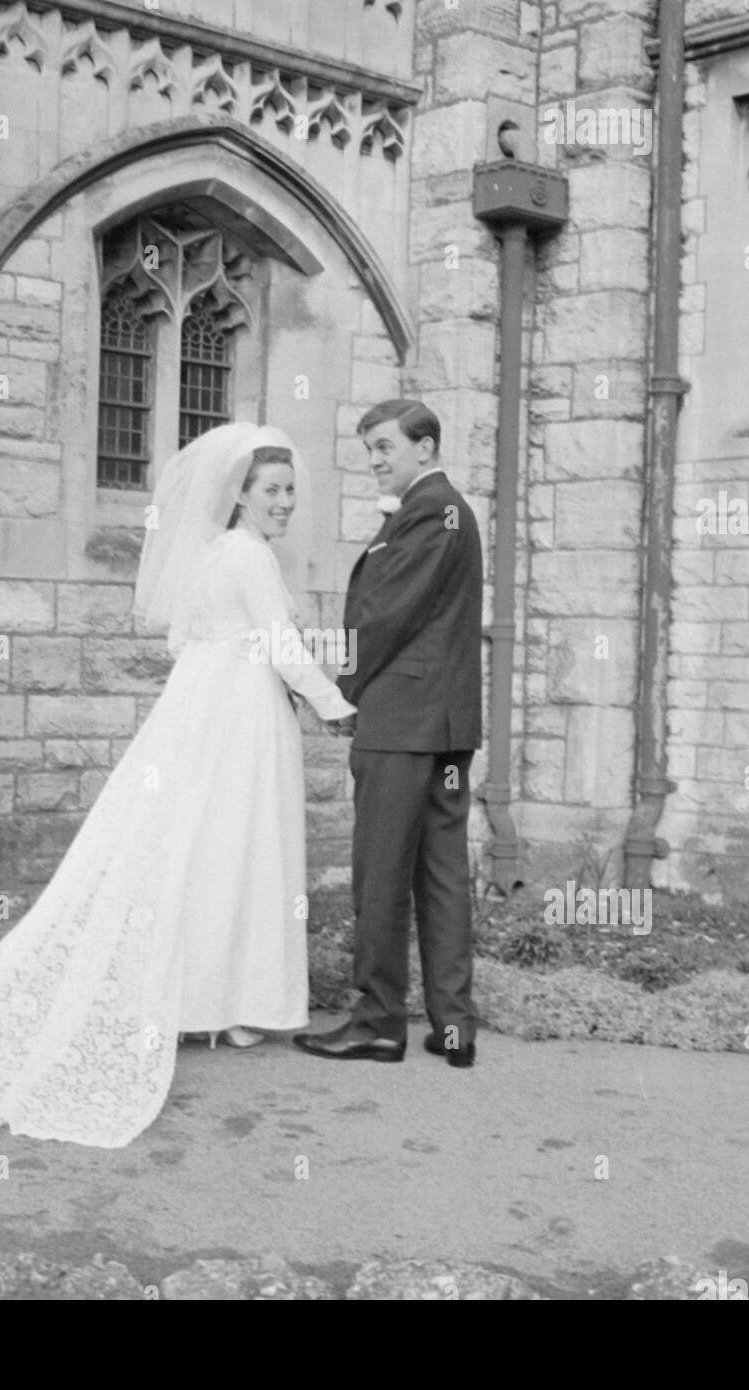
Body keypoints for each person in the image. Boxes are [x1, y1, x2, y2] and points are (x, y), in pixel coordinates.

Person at [0, 423, 356, 1147]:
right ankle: (224, 1000)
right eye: (271, 490)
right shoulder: (250, 558)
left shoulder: (213, 554)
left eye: (290, 490)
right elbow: (277, 644)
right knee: (234, 843)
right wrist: (336, 704)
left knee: (200, 845)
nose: (285, 502)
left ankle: (207, 998)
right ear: (238, 495)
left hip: (199, 707)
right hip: (236, 717)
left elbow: (185, 640)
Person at [293, 400, 483, 1067]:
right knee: (440, 873)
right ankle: (452, 1026)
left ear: (424, 448)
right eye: (369, 449)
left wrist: (342, 692)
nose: (374, 460)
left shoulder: (431, 510)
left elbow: (384, 615)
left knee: (380, 873)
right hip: (443, 724)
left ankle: (377, 1020)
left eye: (383, 447)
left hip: (402, 720)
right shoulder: (440, 510)